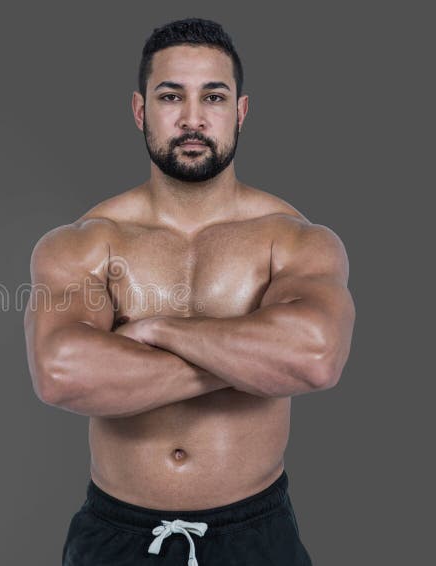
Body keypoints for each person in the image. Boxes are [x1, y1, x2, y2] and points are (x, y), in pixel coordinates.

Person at [23, 17, 355, 566]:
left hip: (255, 531)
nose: (193, 118)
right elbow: (62, 373)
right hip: (117, 533)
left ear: (241, 112)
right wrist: (250, 363)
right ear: (140, 110)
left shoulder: (294, 238)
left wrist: (154, 330)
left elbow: (315, 357)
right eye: (171, 95)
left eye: (214, 97)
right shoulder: (85, 241)